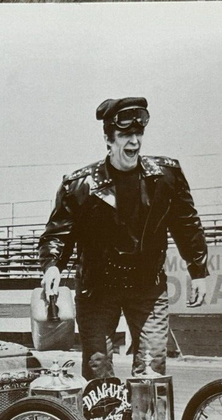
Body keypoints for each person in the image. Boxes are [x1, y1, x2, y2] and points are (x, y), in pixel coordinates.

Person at [39, 97, 210, 381]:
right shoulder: (79, 185)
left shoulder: (167, 176)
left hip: (148, 288)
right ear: (109, 140)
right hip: (97, 290)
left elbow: (187, 224)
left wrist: (198, 270)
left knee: (151, 369)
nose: (134, 141)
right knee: (98, 369)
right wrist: (52, 266)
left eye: (138, 134)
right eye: (125, 135)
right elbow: (57, 234)